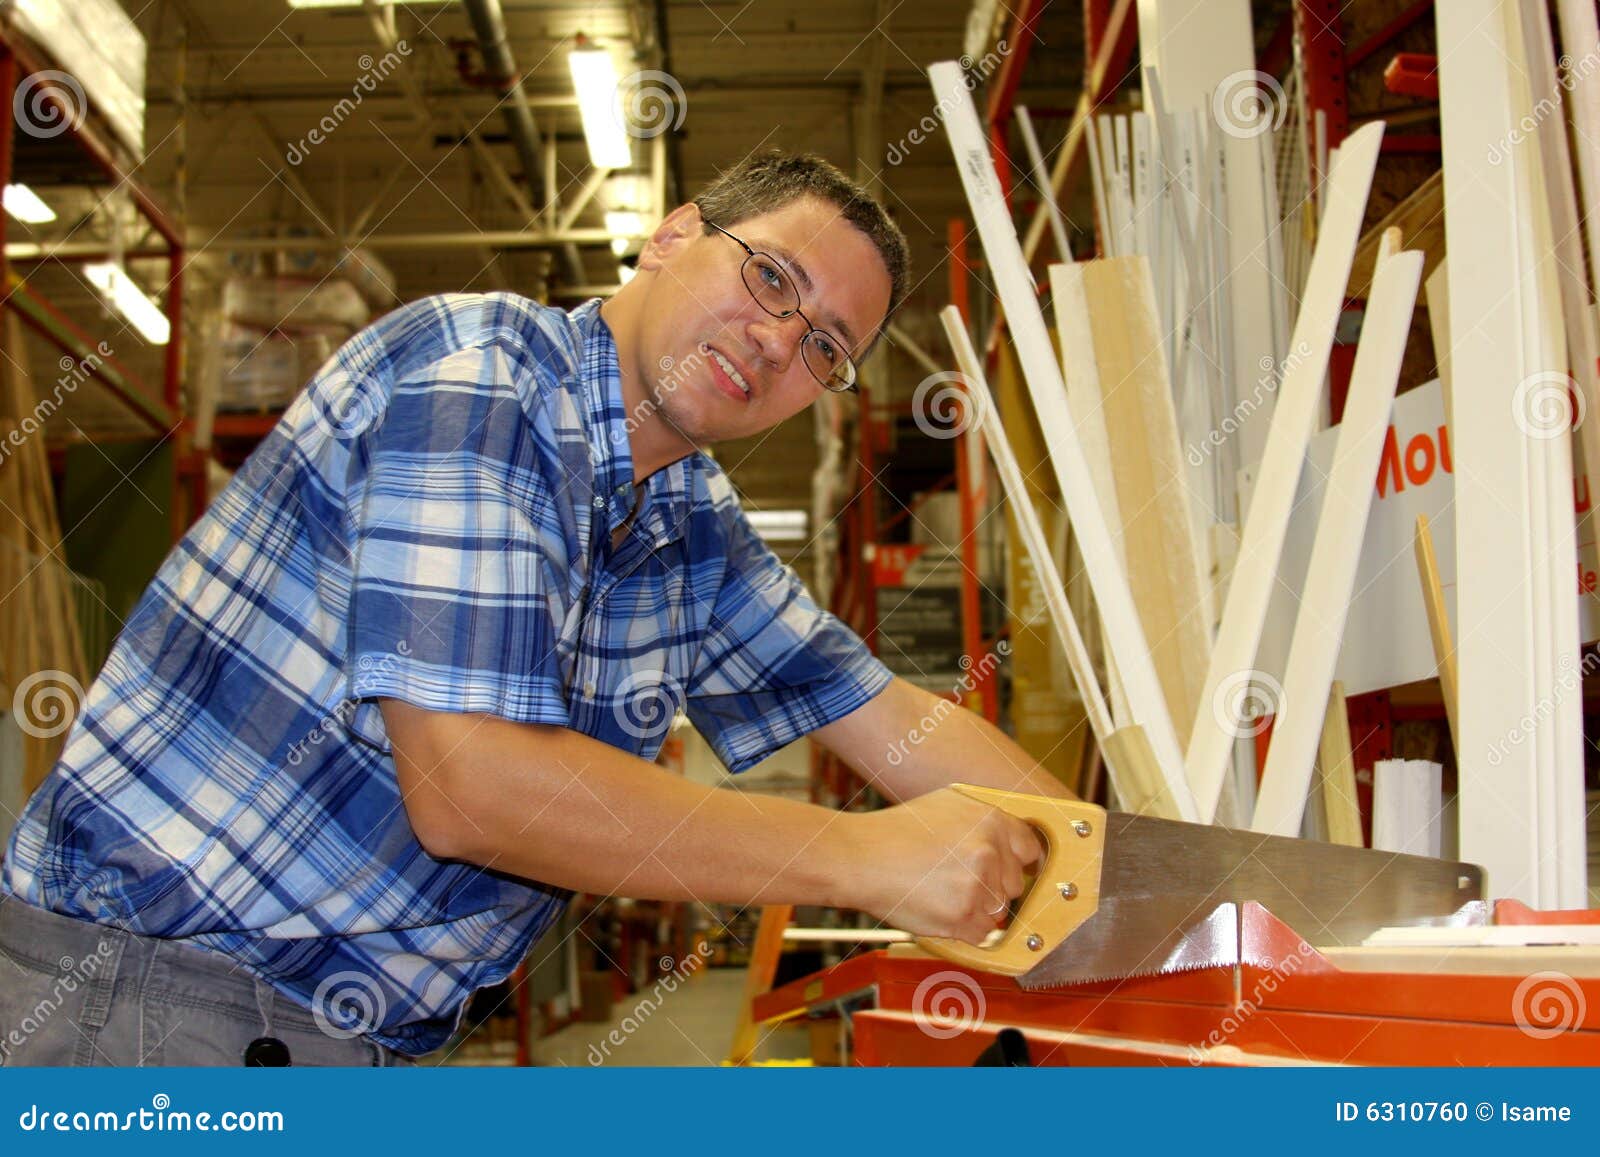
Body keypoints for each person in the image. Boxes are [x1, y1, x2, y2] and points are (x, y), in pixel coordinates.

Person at [0, 151, 1070, 1066]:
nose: (780, 341)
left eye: (827, 347)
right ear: (671, 236)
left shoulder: (688, 519)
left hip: (332, 1034)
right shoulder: (484, 375)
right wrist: (869, 857)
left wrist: (1102, 875)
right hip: (142, 1005)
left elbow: (887, 716)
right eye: (771, 276)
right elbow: (469, 785)